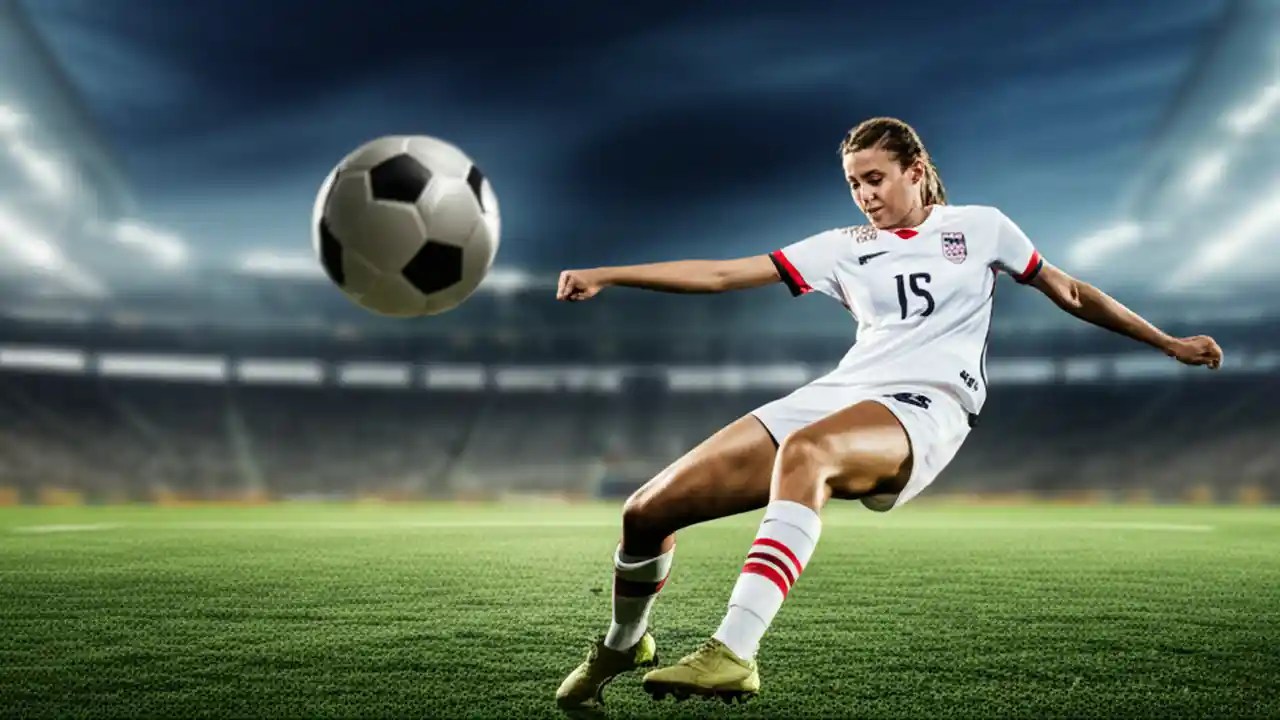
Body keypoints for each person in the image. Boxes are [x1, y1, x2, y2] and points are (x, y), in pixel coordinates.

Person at [552, 117, 1223, 708]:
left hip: (929, 404)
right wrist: (610, 274)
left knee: (809, 452)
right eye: (854, 184)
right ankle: (623, 644)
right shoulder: (843, 245)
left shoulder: (980, 228)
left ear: (916, 171)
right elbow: (725, 275)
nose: (865, 195)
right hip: (842, 392)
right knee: (646, 512)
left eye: (875, 179)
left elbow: (1070, 291)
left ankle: (733, 651)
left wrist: (1166, 342)